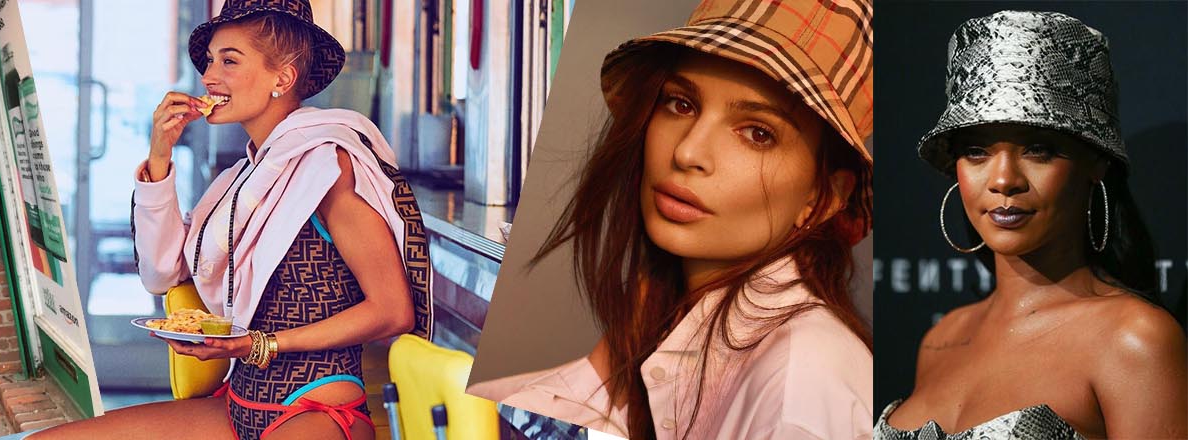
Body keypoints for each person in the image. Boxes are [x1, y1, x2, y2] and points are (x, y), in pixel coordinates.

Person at [468, 0, 876, 438]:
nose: (687, 152)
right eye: (681, 104)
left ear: (824, 196)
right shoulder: (673, 328)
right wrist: (612, 361)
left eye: (758, 133)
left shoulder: (802, 384)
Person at [33, 1, 432, 439]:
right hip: (235, 405)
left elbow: (393, 310)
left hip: (315, 411)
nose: (208, 77)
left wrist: (263, 343)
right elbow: (160, 273)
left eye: (229, 60)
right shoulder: (238, 180)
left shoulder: (331, 164)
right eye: (209, 61)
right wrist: (159, 156)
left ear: (283, 77)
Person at [877, 11, 1187, 439]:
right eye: (977, 152)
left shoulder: (1134, 340)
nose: (1004, 180)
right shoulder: (939, 339)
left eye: (1039, 149)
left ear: (1095, 161)